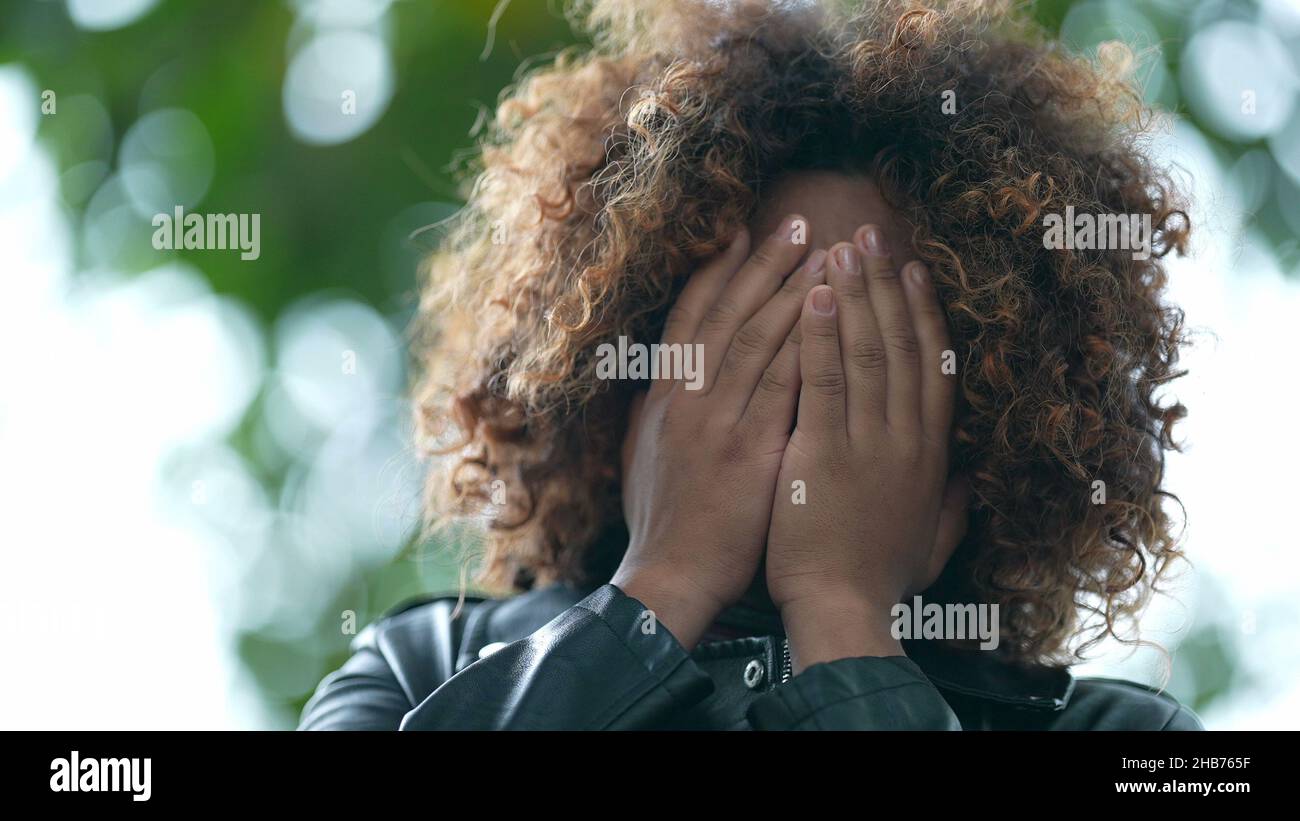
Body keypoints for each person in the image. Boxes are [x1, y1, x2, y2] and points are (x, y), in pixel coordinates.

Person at [300, 0, 1201, 730]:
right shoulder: (420, 664)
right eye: (747, 339)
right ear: (626, 379)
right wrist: (661, 588)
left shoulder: (1115, 734)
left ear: (982, 421)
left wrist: (846, 623)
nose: (802, 389)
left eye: (867, 349)